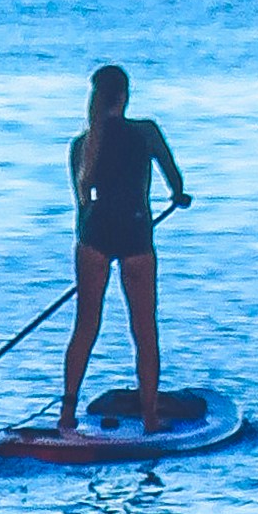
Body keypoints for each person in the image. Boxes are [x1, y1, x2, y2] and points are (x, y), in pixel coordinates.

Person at [59, 61, 189, 431]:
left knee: (85, 326)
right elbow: (175, 182)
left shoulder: (80, 146)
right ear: (125, 97)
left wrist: (87, 246)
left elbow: (81, 208)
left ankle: (66, 415)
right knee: (144, 328)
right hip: (135, 235)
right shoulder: (146, 132)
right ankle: (150, 417)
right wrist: (178, 196)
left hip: (93, 237)